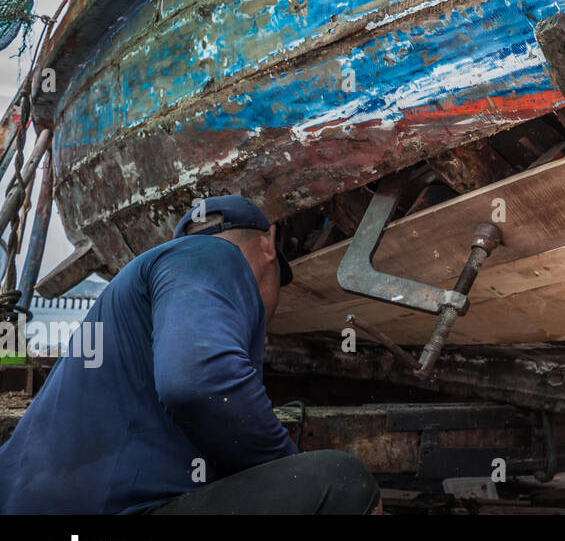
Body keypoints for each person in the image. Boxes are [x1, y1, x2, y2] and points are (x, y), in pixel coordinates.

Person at [0, 195, 379, 514]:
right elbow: (198, 381)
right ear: (268, 244)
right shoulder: (211, 255)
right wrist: (286, 464)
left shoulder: (142, 286)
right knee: (341, 481)